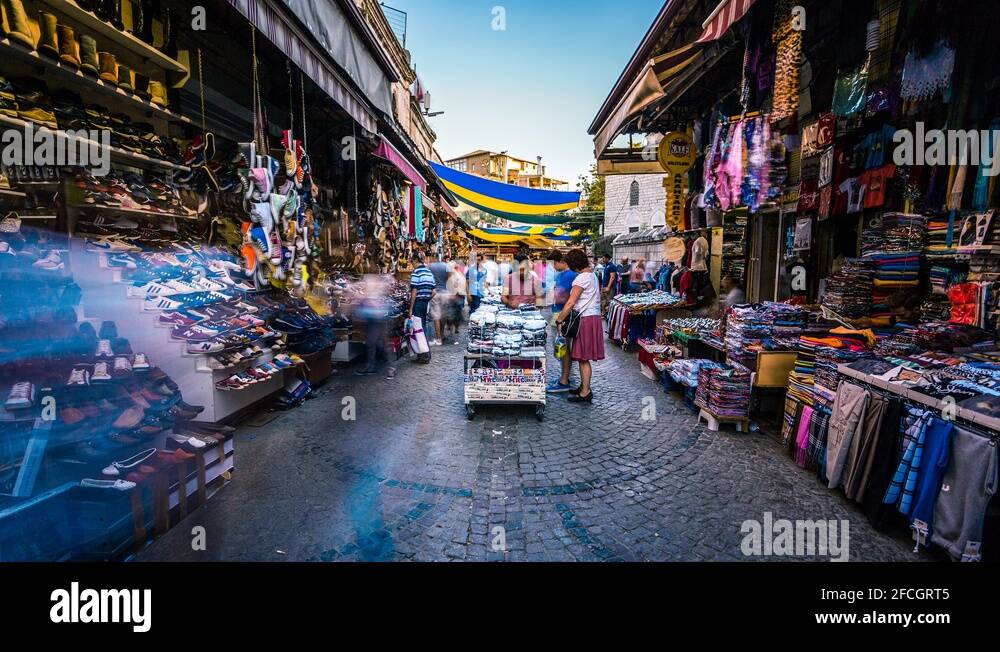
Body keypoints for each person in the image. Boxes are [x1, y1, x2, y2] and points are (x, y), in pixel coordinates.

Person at [555, 249, 604, 403]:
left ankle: (585, 392)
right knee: (583, 355)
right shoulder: (592, 275)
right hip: (592, 317)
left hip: (585, 319)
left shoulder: (581, 278)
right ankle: (584, 386)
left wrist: (559, 319)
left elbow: (571, 302)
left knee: (583, 357)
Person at [545, 250, 578, 393]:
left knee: (563, 348)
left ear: (559, 261)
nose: (553, 267)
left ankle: (564, 381)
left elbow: (567, 298)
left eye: (553, 264)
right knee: (561, 348)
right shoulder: (561, 275)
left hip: (562, 315)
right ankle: (564, 377)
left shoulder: (570, 275)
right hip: (557, 313)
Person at [408, 252, 435, 363]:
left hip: (418, 303)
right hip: (425, 303)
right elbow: (434, 291)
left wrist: (411, 307)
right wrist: (427, 299)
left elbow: (414, 291)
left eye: (412, 262)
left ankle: (423, 356)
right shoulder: (429, 272)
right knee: (423, 328)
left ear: (415, 261)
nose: (412, 264)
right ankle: (426, 354)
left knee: (418, 330)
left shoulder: (416, 272)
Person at [427, 256, 451, 345]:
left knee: (436, 316)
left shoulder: (429, 266)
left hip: (435, 293)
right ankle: (442, 333)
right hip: (445, 293)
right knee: (443, 315)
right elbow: (450, 278)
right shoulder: (446, 265)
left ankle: (438, 338)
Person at [446, 266, 468, 335]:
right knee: (457, 313)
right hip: (458, 295)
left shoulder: (454, 275)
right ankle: (455, 327)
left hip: (457, 296)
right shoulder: (461, 275)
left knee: (453, 313)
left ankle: (453, 326)